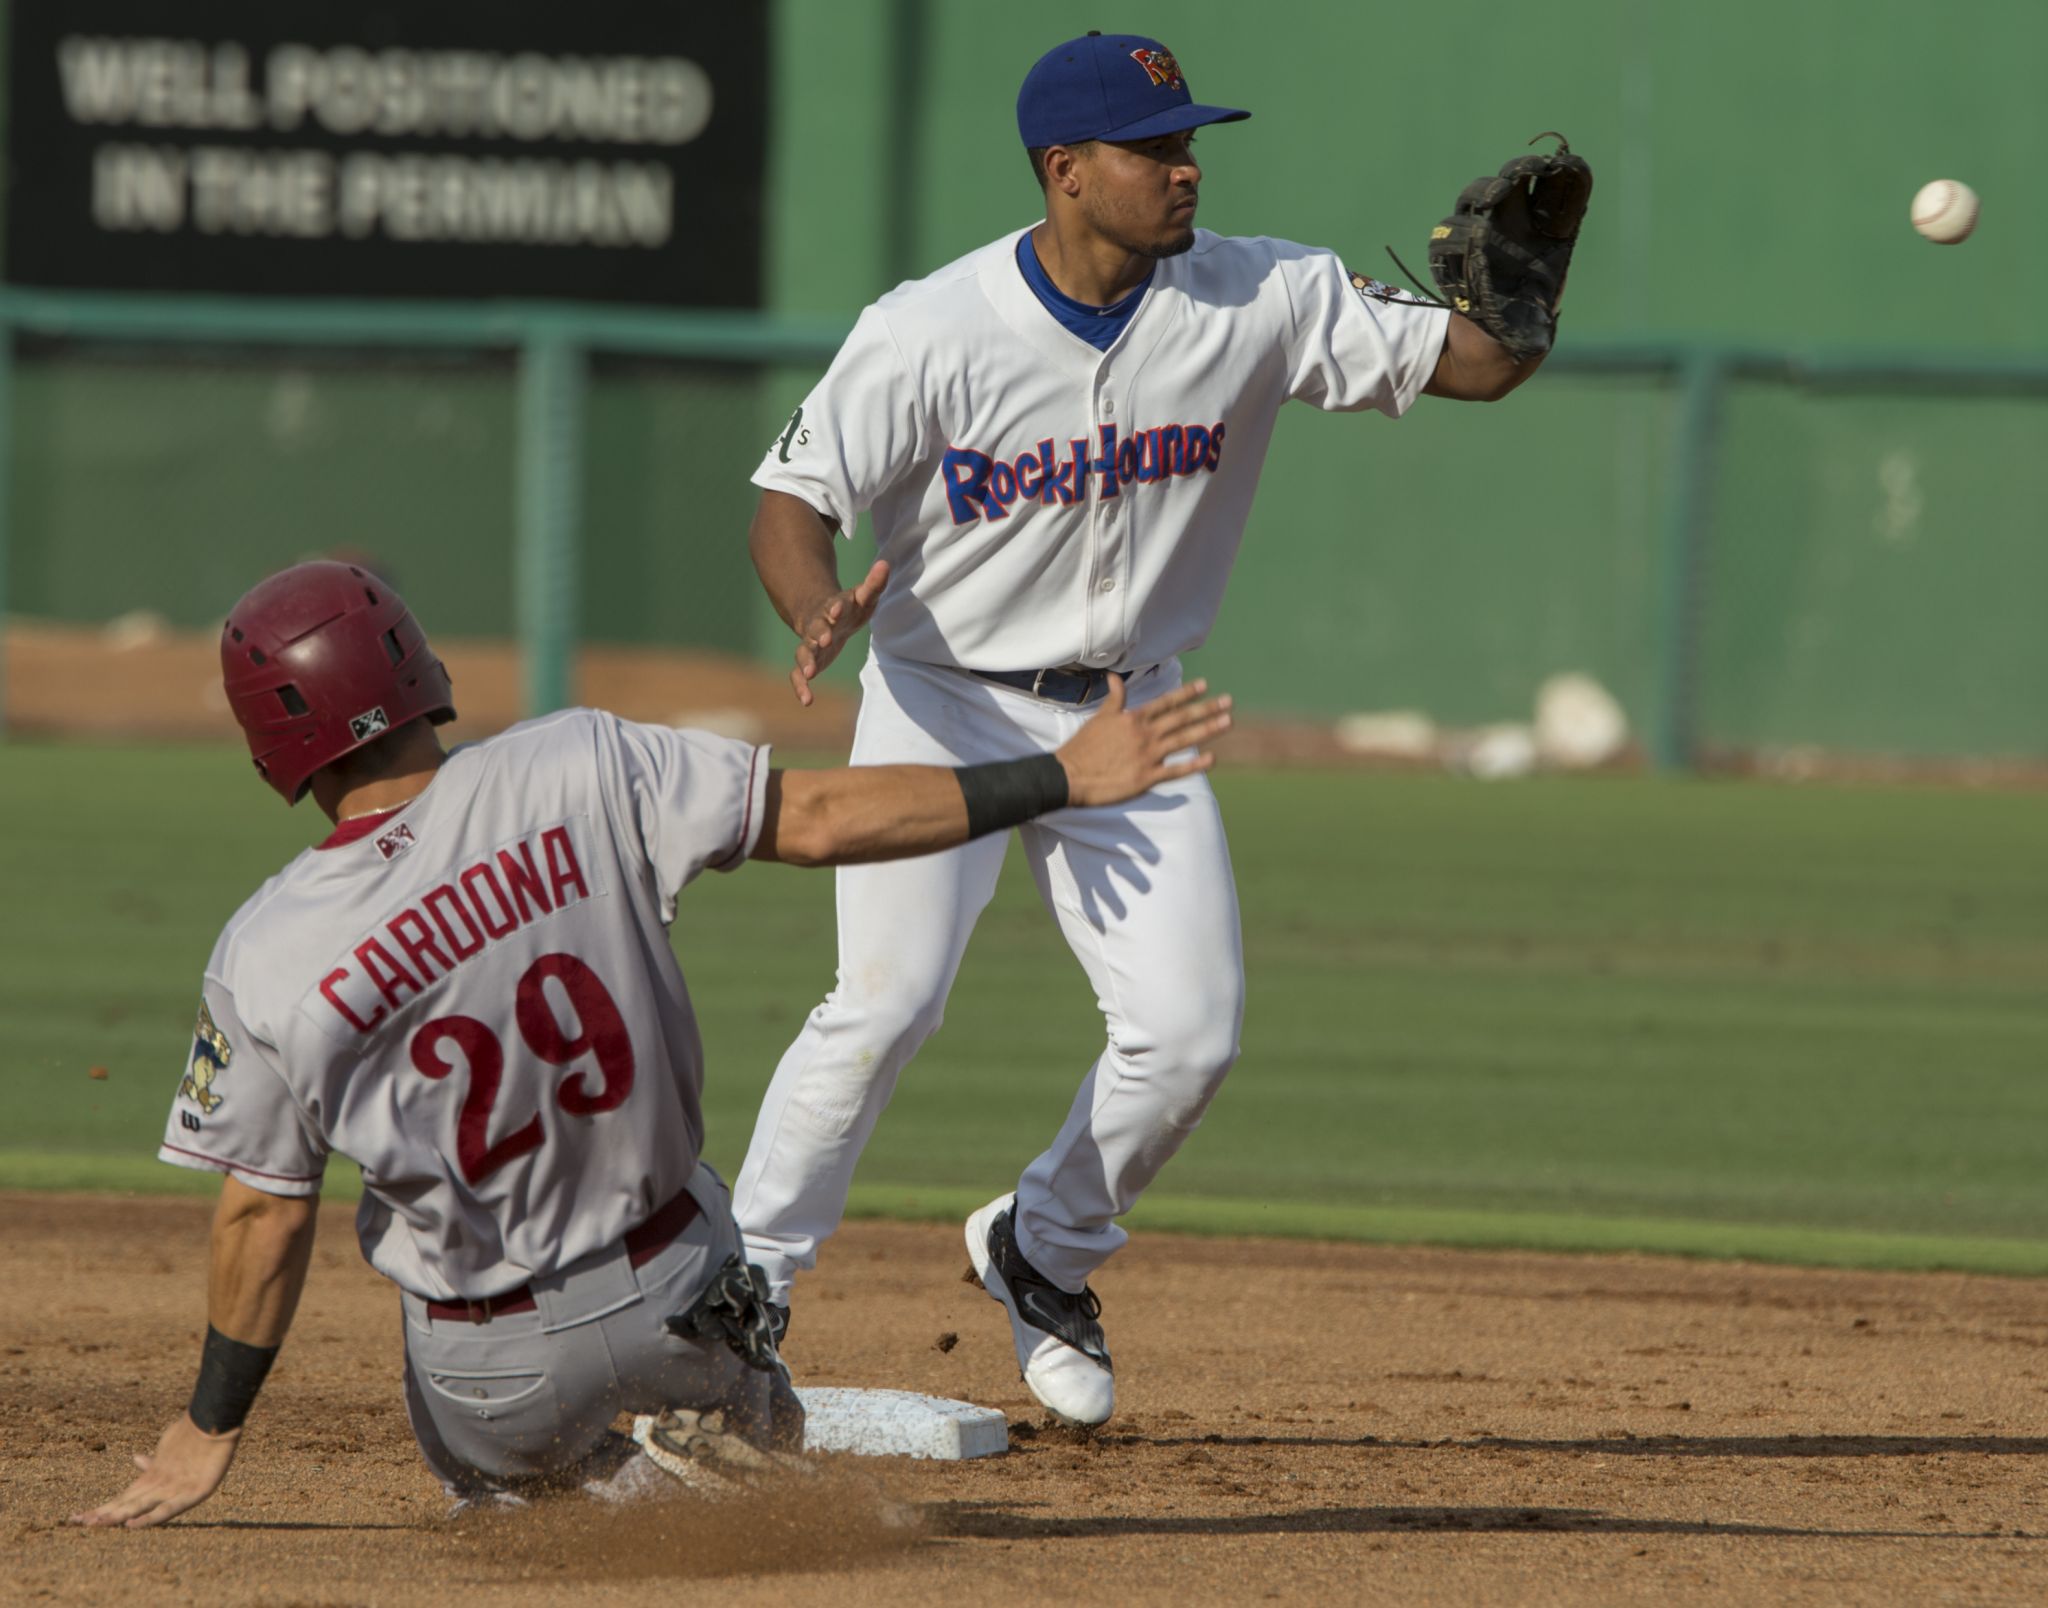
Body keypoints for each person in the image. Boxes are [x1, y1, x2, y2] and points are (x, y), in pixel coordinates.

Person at [736, 31, 1566, 1428]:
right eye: (1154, 147)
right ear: (1066, 172)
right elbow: (790, 499)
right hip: (945, 704)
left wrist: (1529, 299)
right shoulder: (929, 328)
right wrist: (815, 607)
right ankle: (744, 1284)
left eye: (1188, 142)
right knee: (884, 1003)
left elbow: (1475, 367)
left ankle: (1040, 1247)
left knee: (1189, 1035)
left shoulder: (1261, 292)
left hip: (1133, 712)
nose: (1187, 169)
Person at [71, 558, 1230, 1528]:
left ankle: (568, 1499)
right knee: (726, 1333)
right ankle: (742, 1441)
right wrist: (1061, 776)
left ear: (274, 742)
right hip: (678, 1295)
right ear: (415, 668)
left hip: (493, 1370)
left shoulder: (265, 952)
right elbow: (825, 819)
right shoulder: (578, 762)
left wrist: (206, 1428)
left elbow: (264, 1214)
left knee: (490, 1475)